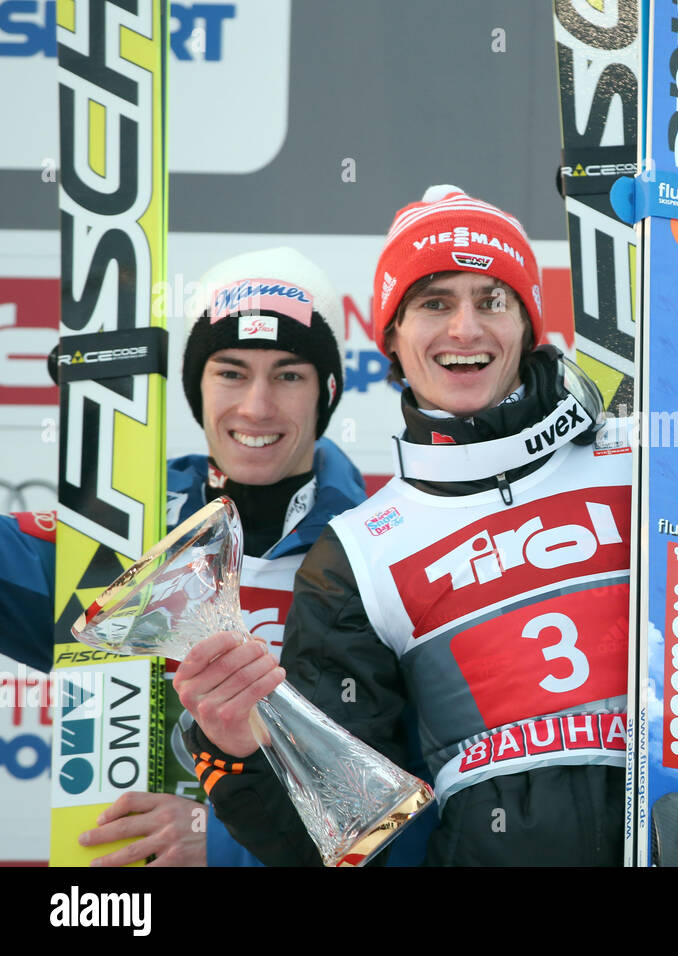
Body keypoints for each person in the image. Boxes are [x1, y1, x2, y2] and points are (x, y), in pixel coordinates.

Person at [175, 186, 632, 865]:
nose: (465, 330)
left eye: (492, 299)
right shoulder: (360, 555)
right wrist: (236, 761)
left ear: (530, 326)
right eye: (435, 303)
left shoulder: (646, 466)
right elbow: (355, 839)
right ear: (391, 336)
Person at [0, 247, 366, 866]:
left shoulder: (377, 547)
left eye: (288, 374)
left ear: (327, 390)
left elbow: (407, 798)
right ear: (196, 387)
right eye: (230, 371)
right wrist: (98, 433)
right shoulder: (124, 538)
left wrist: (221, 842)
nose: (256, 406)